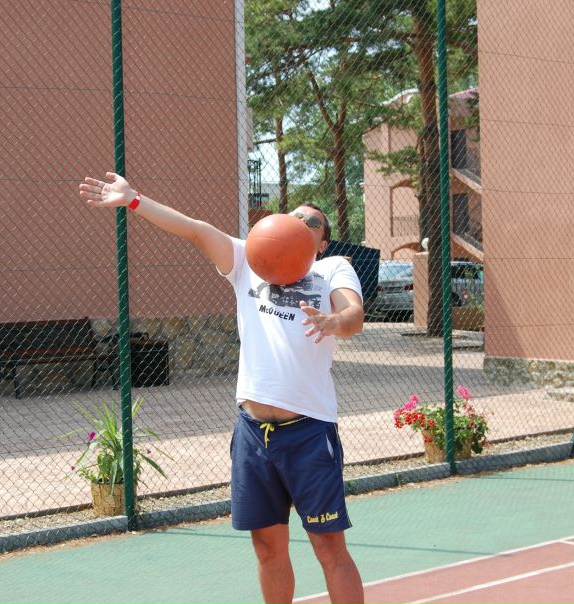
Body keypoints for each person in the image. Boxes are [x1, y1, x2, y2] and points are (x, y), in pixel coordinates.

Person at [79, 172, 365, 604]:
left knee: (329, 548)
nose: (301, 222)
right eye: (294, 216)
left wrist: (333, 321)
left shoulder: (331, 269)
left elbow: (354, 316)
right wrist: (133, 199)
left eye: (313, 223)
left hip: (308, 432)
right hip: (253, 433)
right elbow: (194, 229)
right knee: (267, 547)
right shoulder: (247, 260)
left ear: (322, 242)